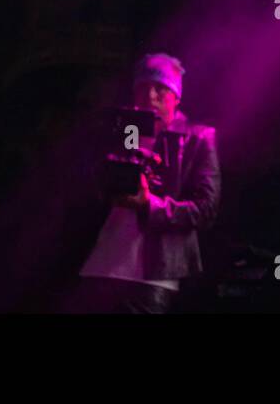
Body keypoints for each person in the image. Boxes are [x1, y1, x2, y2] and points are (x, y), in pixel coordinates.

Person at [71, 53, 220, 313]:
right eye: (143, 88)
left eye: (160, 88)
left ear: (176, 96)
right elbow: (85, 191)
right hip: (102, 264)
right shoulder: (122, 131)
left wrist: (148, 204)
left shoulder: (198, 137)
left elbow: (206, 209)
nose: (150, 96)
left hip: (152, 272)